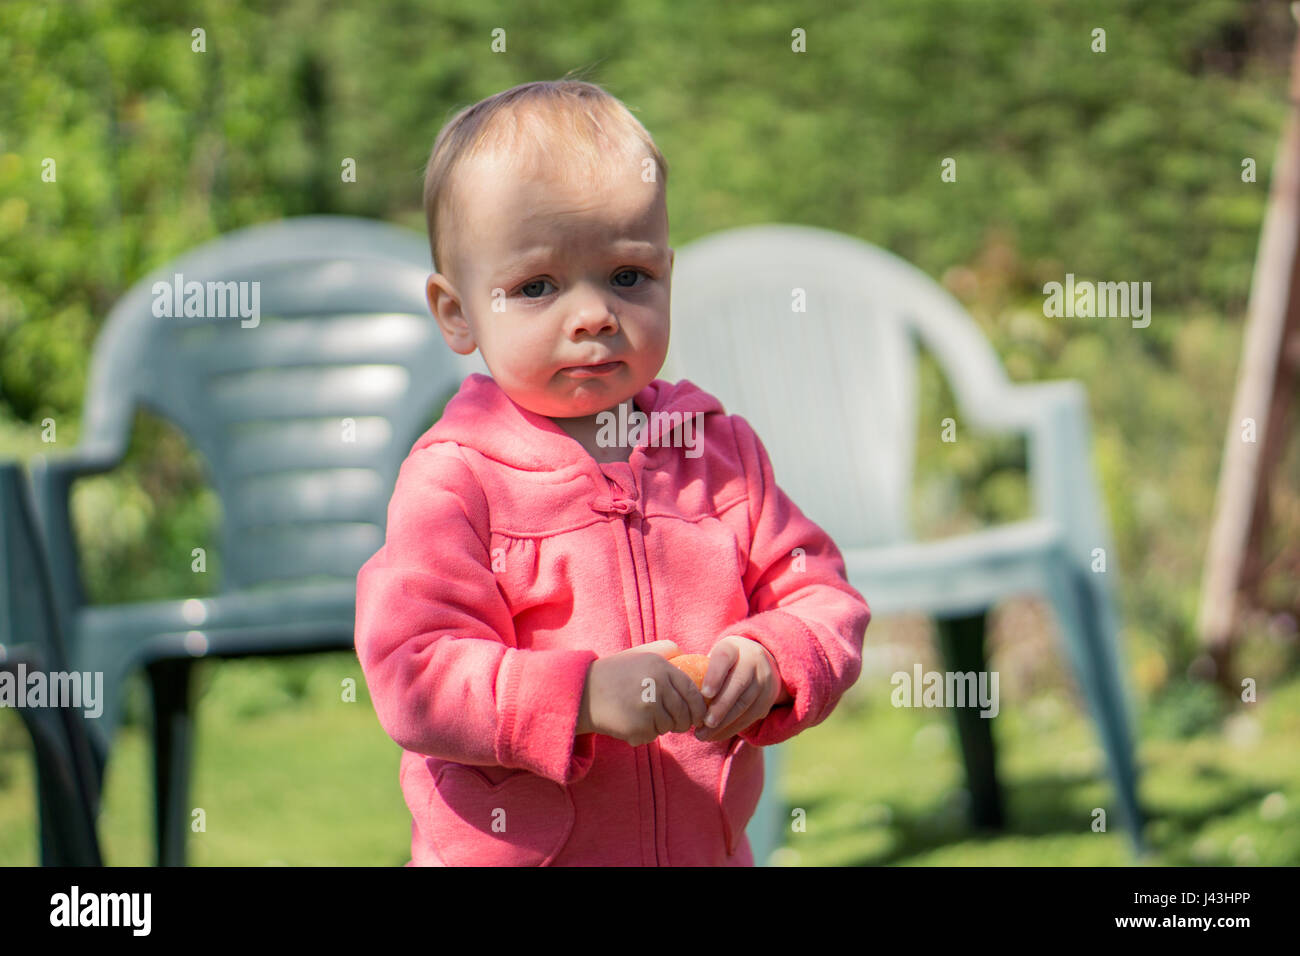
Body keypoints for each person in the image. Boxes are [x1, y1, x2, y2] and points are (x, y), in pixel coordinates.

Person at [353, 77, 871, 866]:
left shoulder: (716, 452)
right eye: (537, 287)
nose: (594, 314)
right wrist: (580, 699)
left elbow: (821, 594)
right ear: (457, 313)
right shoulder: (455, 480)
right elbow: (415, 671)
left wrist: (775, 656)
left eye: (628, 276)